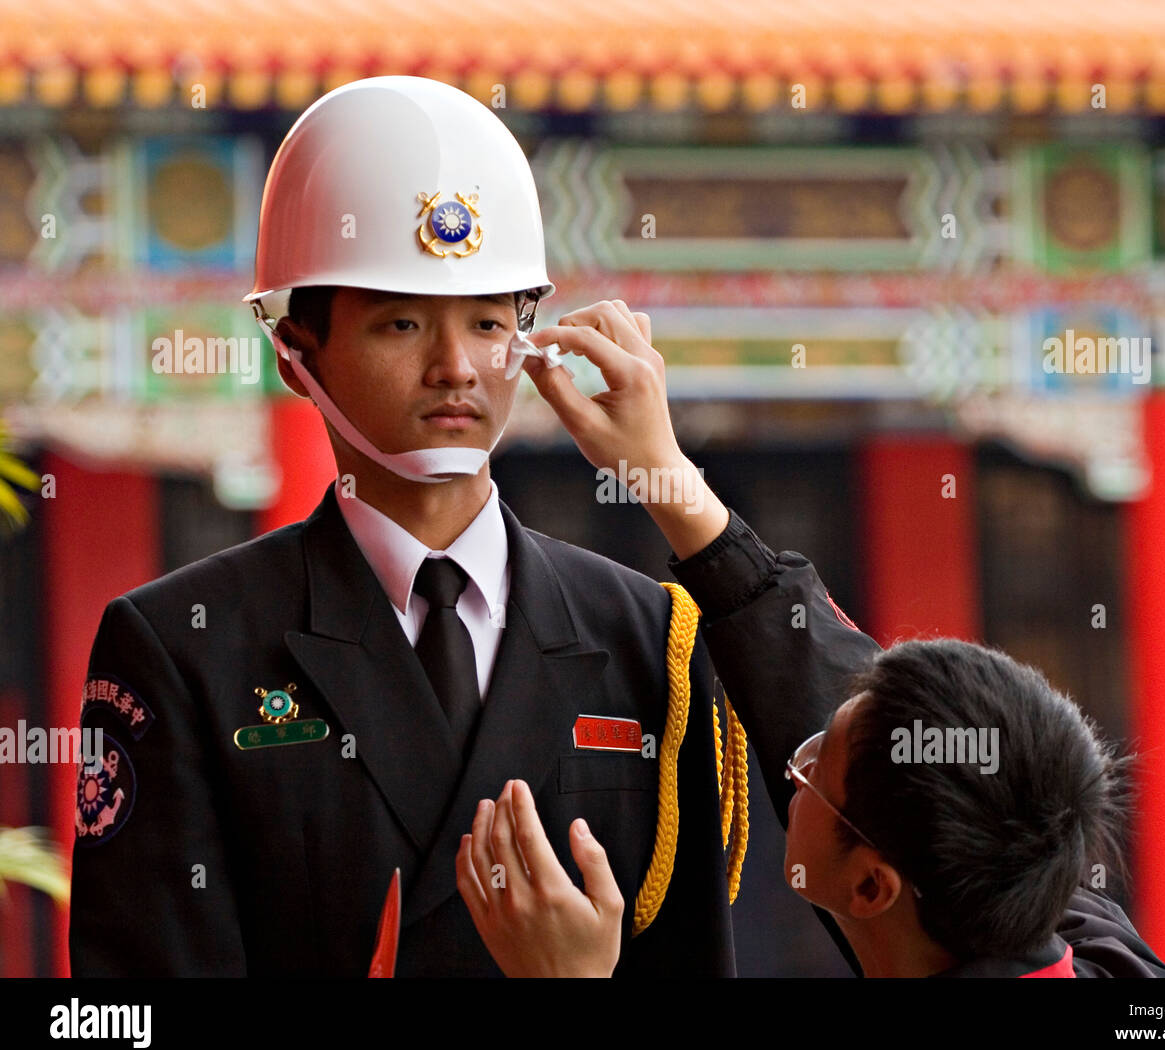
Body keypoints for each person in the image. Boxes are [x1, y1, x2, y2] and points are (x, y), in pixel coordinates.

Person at [68, 76, 864, 976]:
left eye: (489, 323)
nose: (455, 367)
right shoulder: (183, 647)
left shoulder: (649, 638)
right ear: (297, 352)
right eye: (402, 323)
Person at [456, 310, 1165, 980]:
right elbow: (827, 683)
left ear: (870, 884)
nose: (790, 759)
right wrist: (666, 474)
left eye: (807, 772)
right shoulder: (1058, 931)